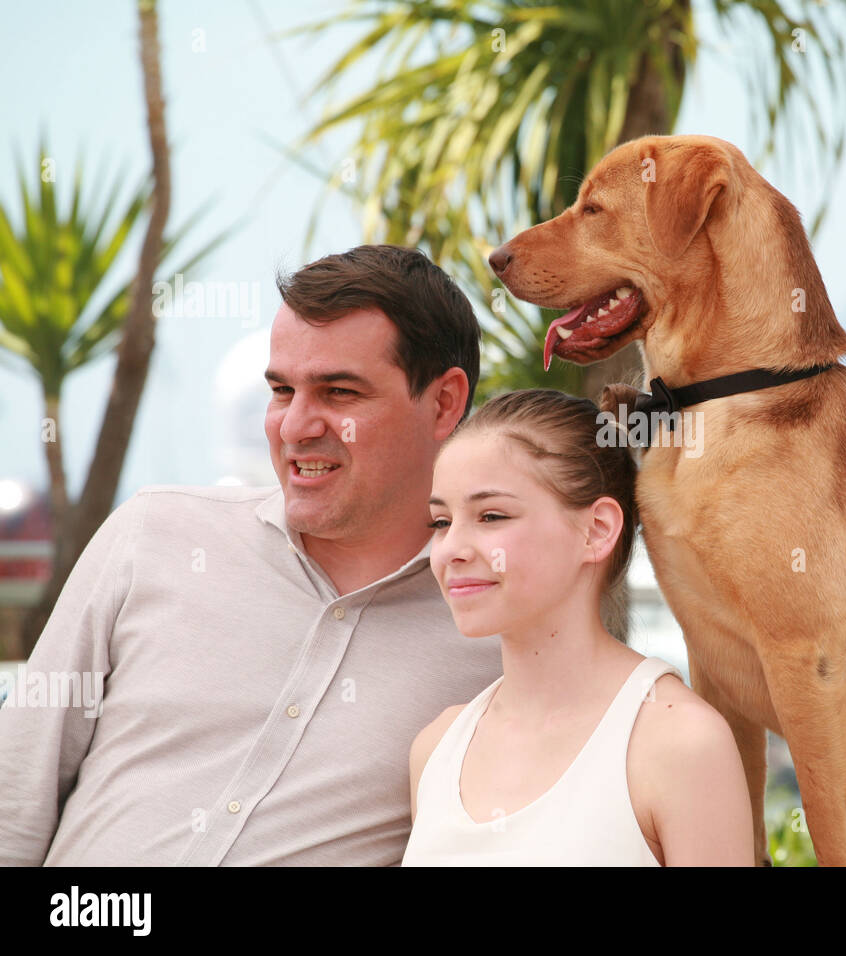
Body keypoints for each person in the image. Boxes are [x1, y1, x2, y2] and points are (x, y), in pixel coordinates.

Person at [0, 244, 502, 866]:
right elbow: (13, 799)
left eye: (339, 392)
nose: (294, 426)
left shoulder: (503, 634)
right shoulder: (153, 534)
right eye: (281, 390)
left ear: (445, 403)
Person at [403, 389, 754, 866]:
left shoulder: (680, 744)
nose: (451, 550)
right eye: (441, 522)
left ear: (598, 529)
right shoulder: (437, 747)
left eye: (491, 516)